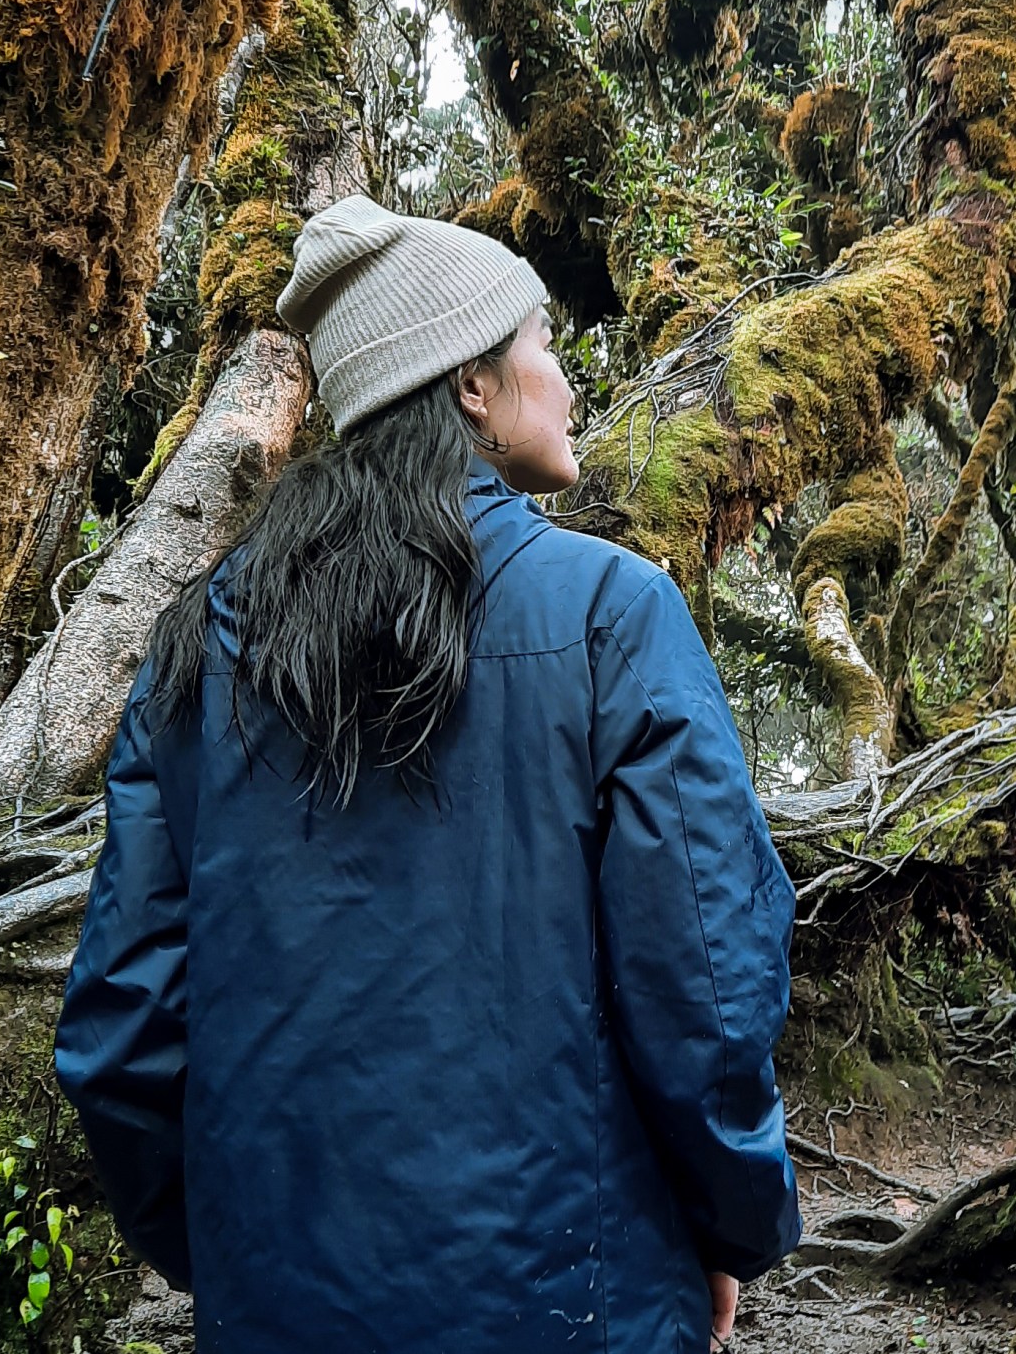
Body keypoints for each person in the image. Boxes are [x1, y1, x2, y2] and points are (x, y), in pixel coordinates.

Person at [55, 194, 802, 1353]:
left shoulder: (202, 648)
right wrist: (731, 1232)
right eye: (542, 343)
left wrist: (241, 1261)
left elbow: (121, 1031)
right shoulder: (613, 616)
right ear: (470, 387)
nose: (562, 378)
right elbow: (703, 989)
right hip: (580, 1310)